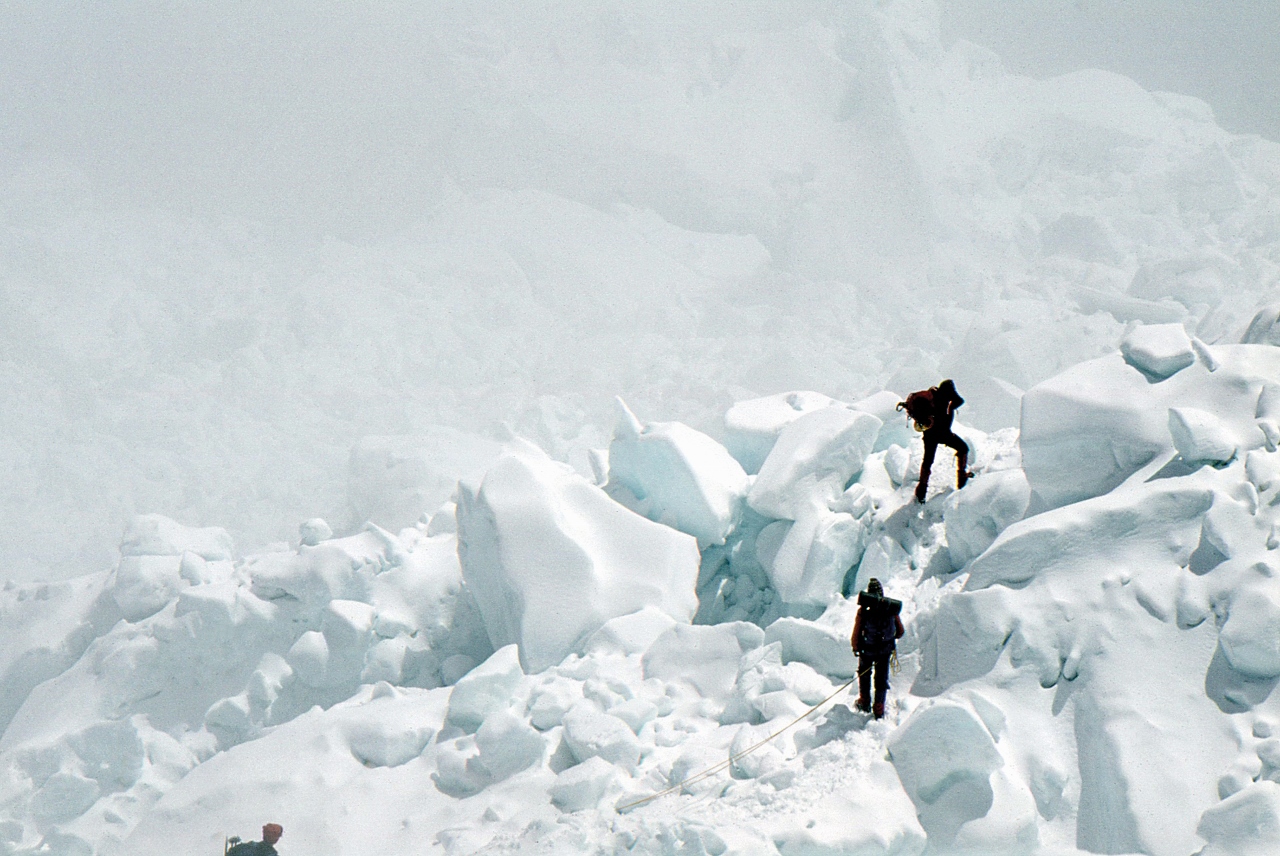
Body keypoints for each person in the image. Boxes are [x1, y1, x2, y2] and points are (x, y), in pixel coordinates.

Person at [899, 379, 972, 503]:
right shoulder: (947, 398)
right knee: (963, 448)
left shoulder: (931, 396)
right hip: (944, 434)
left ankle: (921, 492)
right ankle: (962, 480)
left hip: (929, 435)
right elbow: (960, 401)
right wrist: (952, 400)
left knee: (927, 461)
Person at [851, 578, 904, 720]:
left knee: (864, 675)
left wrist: (855, 646)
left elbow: (857, 631)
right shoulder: (891, 609)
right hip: (884, 652)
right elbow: (900, 631)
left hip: (867, 651)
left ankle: (865, 702)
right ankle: (879, 708)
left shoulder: (864, 610)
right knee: (881, 679)